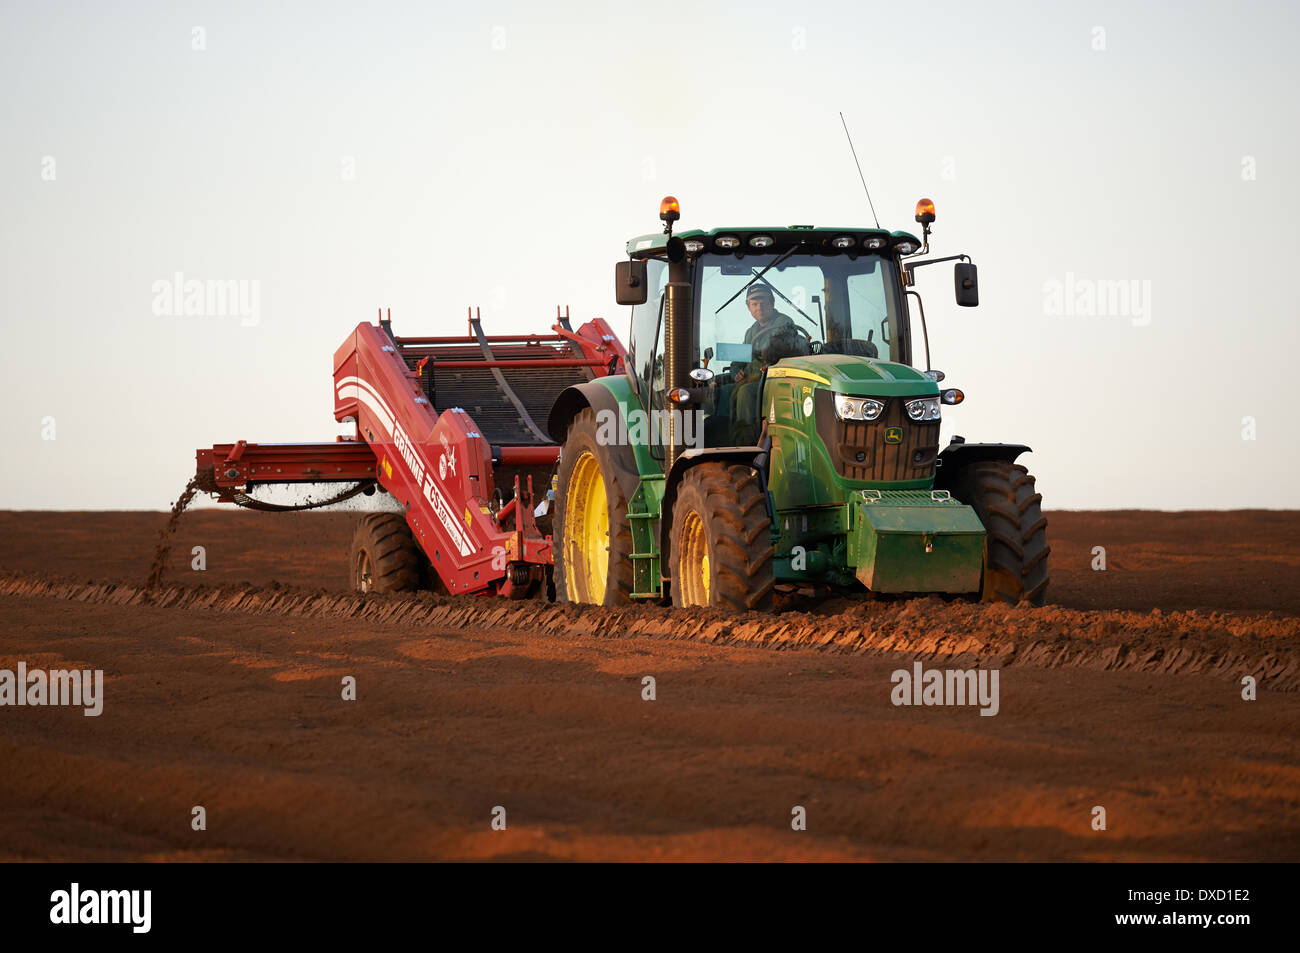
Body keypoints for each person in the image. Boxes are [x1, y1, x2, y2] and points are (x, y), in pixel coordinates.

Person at [727, 282, 808, 444]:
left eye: (763, 303)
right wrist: (736, 372)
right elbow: (737, 361)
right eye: (754, 304)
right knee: (720, 392)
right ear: (749, 308)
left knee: (745, 393)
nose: (759, 307)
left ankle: (748, 444)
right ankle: (727, 441)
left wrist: (753, 356)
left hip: (775, 378)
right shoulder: (751, 331)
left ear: (772, 303)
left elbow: (772, 350)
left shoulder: (784, 322)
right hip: (755, 378)